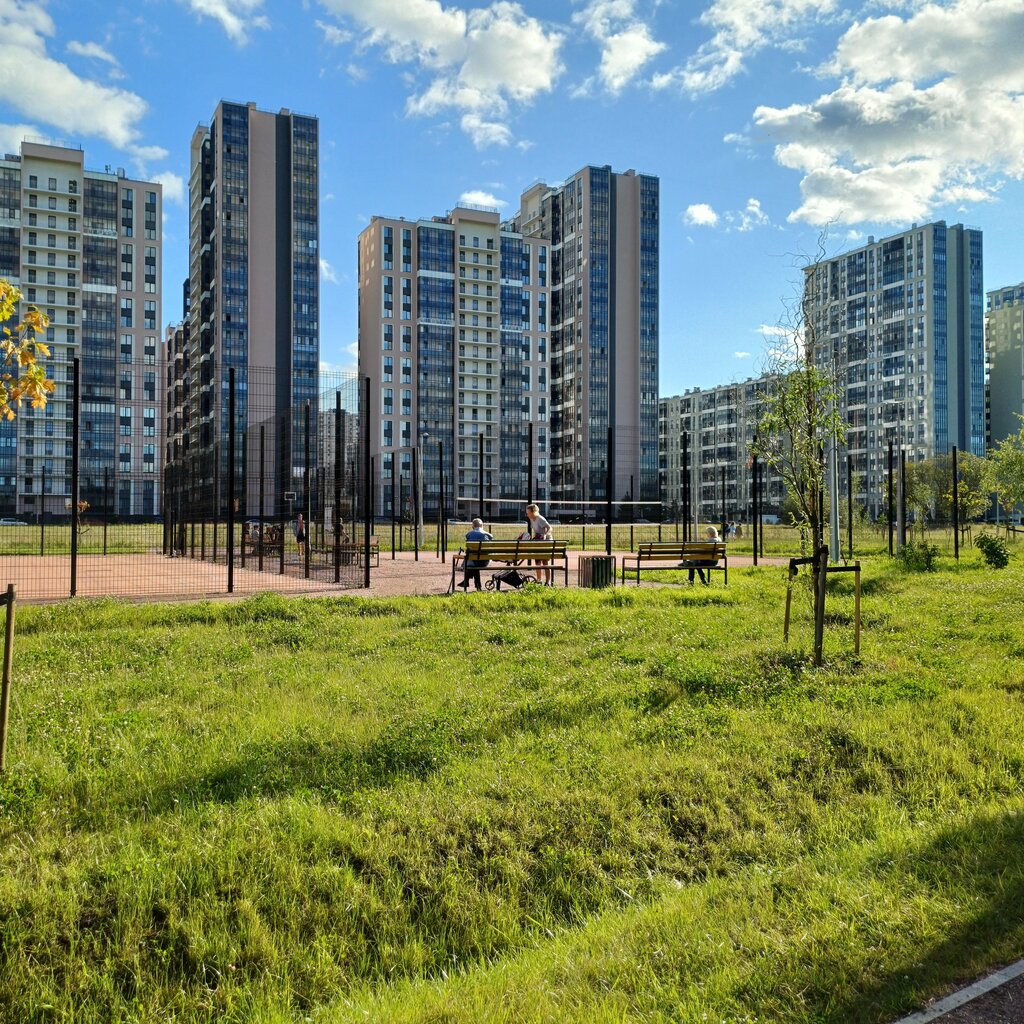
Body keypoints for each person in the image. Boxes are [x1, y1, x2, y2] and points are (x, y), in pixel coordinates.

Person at [457, 517, 492, 591]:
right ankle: (477, 586)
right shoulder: (489, 535)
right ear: (482, 526)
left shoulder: (469, 534)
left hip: (473, 561)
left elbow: (468, 550)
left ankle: (466, 581)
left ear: (473, 526)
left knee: (472, 561)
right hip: (485, 561)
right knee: (475, 563)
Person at [524, 502, 553, 585]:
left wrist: (545, 535)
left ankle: (548, 582)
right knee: (537, 562)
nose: (527, 514)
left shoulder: (540, 518)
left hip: (545, 543)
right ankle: (539, 580)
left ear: (533, 512)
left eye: (528, 512)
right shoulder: (531, 519)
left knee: (545, 562)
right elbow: (536, 531)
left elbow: (549, 527)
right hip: (538, 542)